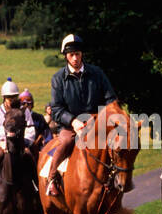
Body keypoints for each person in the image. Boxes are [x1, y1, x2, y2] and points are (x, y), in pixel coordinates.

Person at [46, 33, 117, 197]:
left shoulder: (97, 73)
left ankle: (120, 179)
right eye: (71, 55)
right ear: (66, 56)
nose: (75, 58)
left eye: (77, 54)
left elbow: (110, 100)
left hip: (97, 124)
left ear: (82, 54)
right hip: (70, 127)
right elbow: (56, 108)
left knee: (118, 145)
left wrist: (101, 119)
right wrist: (73, 121)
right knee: (65, 142)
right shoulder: (57, 78)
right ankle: (51, 179)